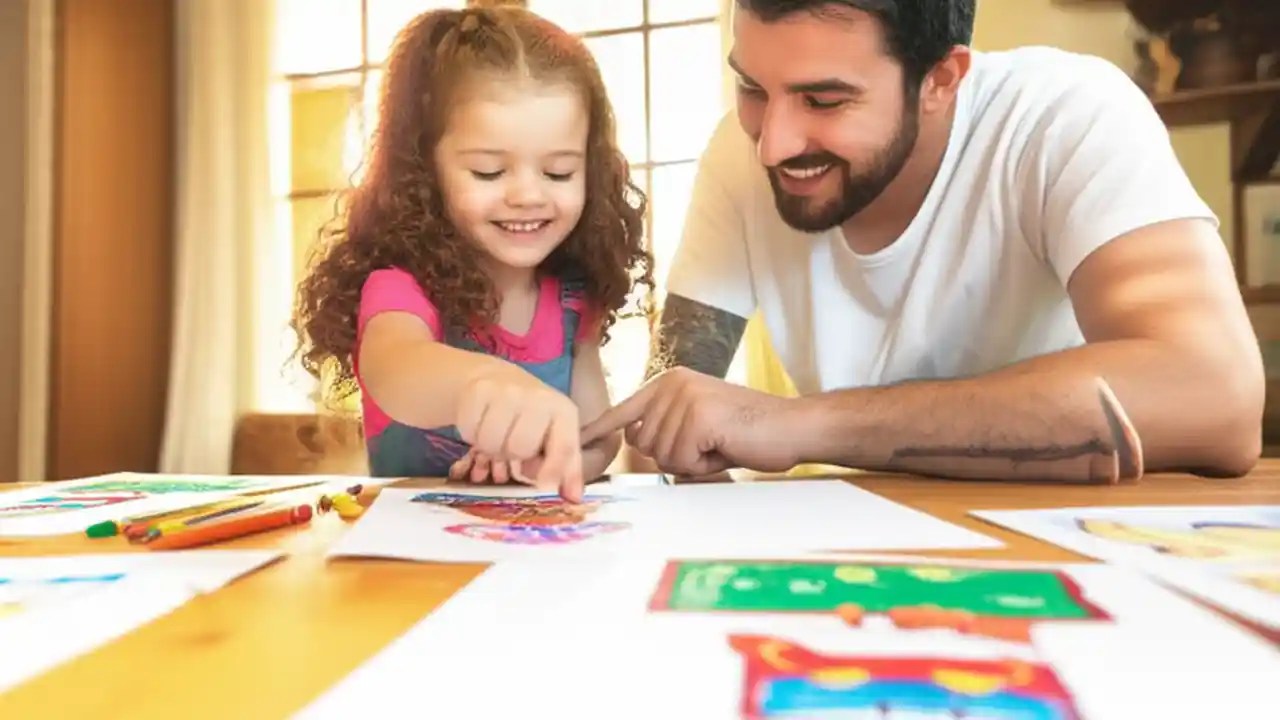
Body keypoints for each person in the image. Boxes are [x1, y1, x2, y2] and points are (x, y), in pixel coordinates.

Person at [583, 0, 1265, 484]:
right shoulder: (737, 154)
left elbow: (1216, 395)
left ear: (942, 78)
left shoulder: (1064, 115)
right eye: (753, 87)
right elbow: (672, 401)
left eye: (824, 100)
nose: (773, 143)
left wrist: (803, 426)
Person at [292, 6, 653, 502]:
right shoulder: (401, 286)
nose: (528, 195)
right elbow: (395, 368)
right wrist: (484, 384)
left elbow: (596, 440)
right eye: (488, 172)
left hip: (533, 554)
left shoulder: (574, 296)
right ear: (425, 170)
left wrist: (542, 460)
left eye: (558, 173)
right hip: (409, 561)